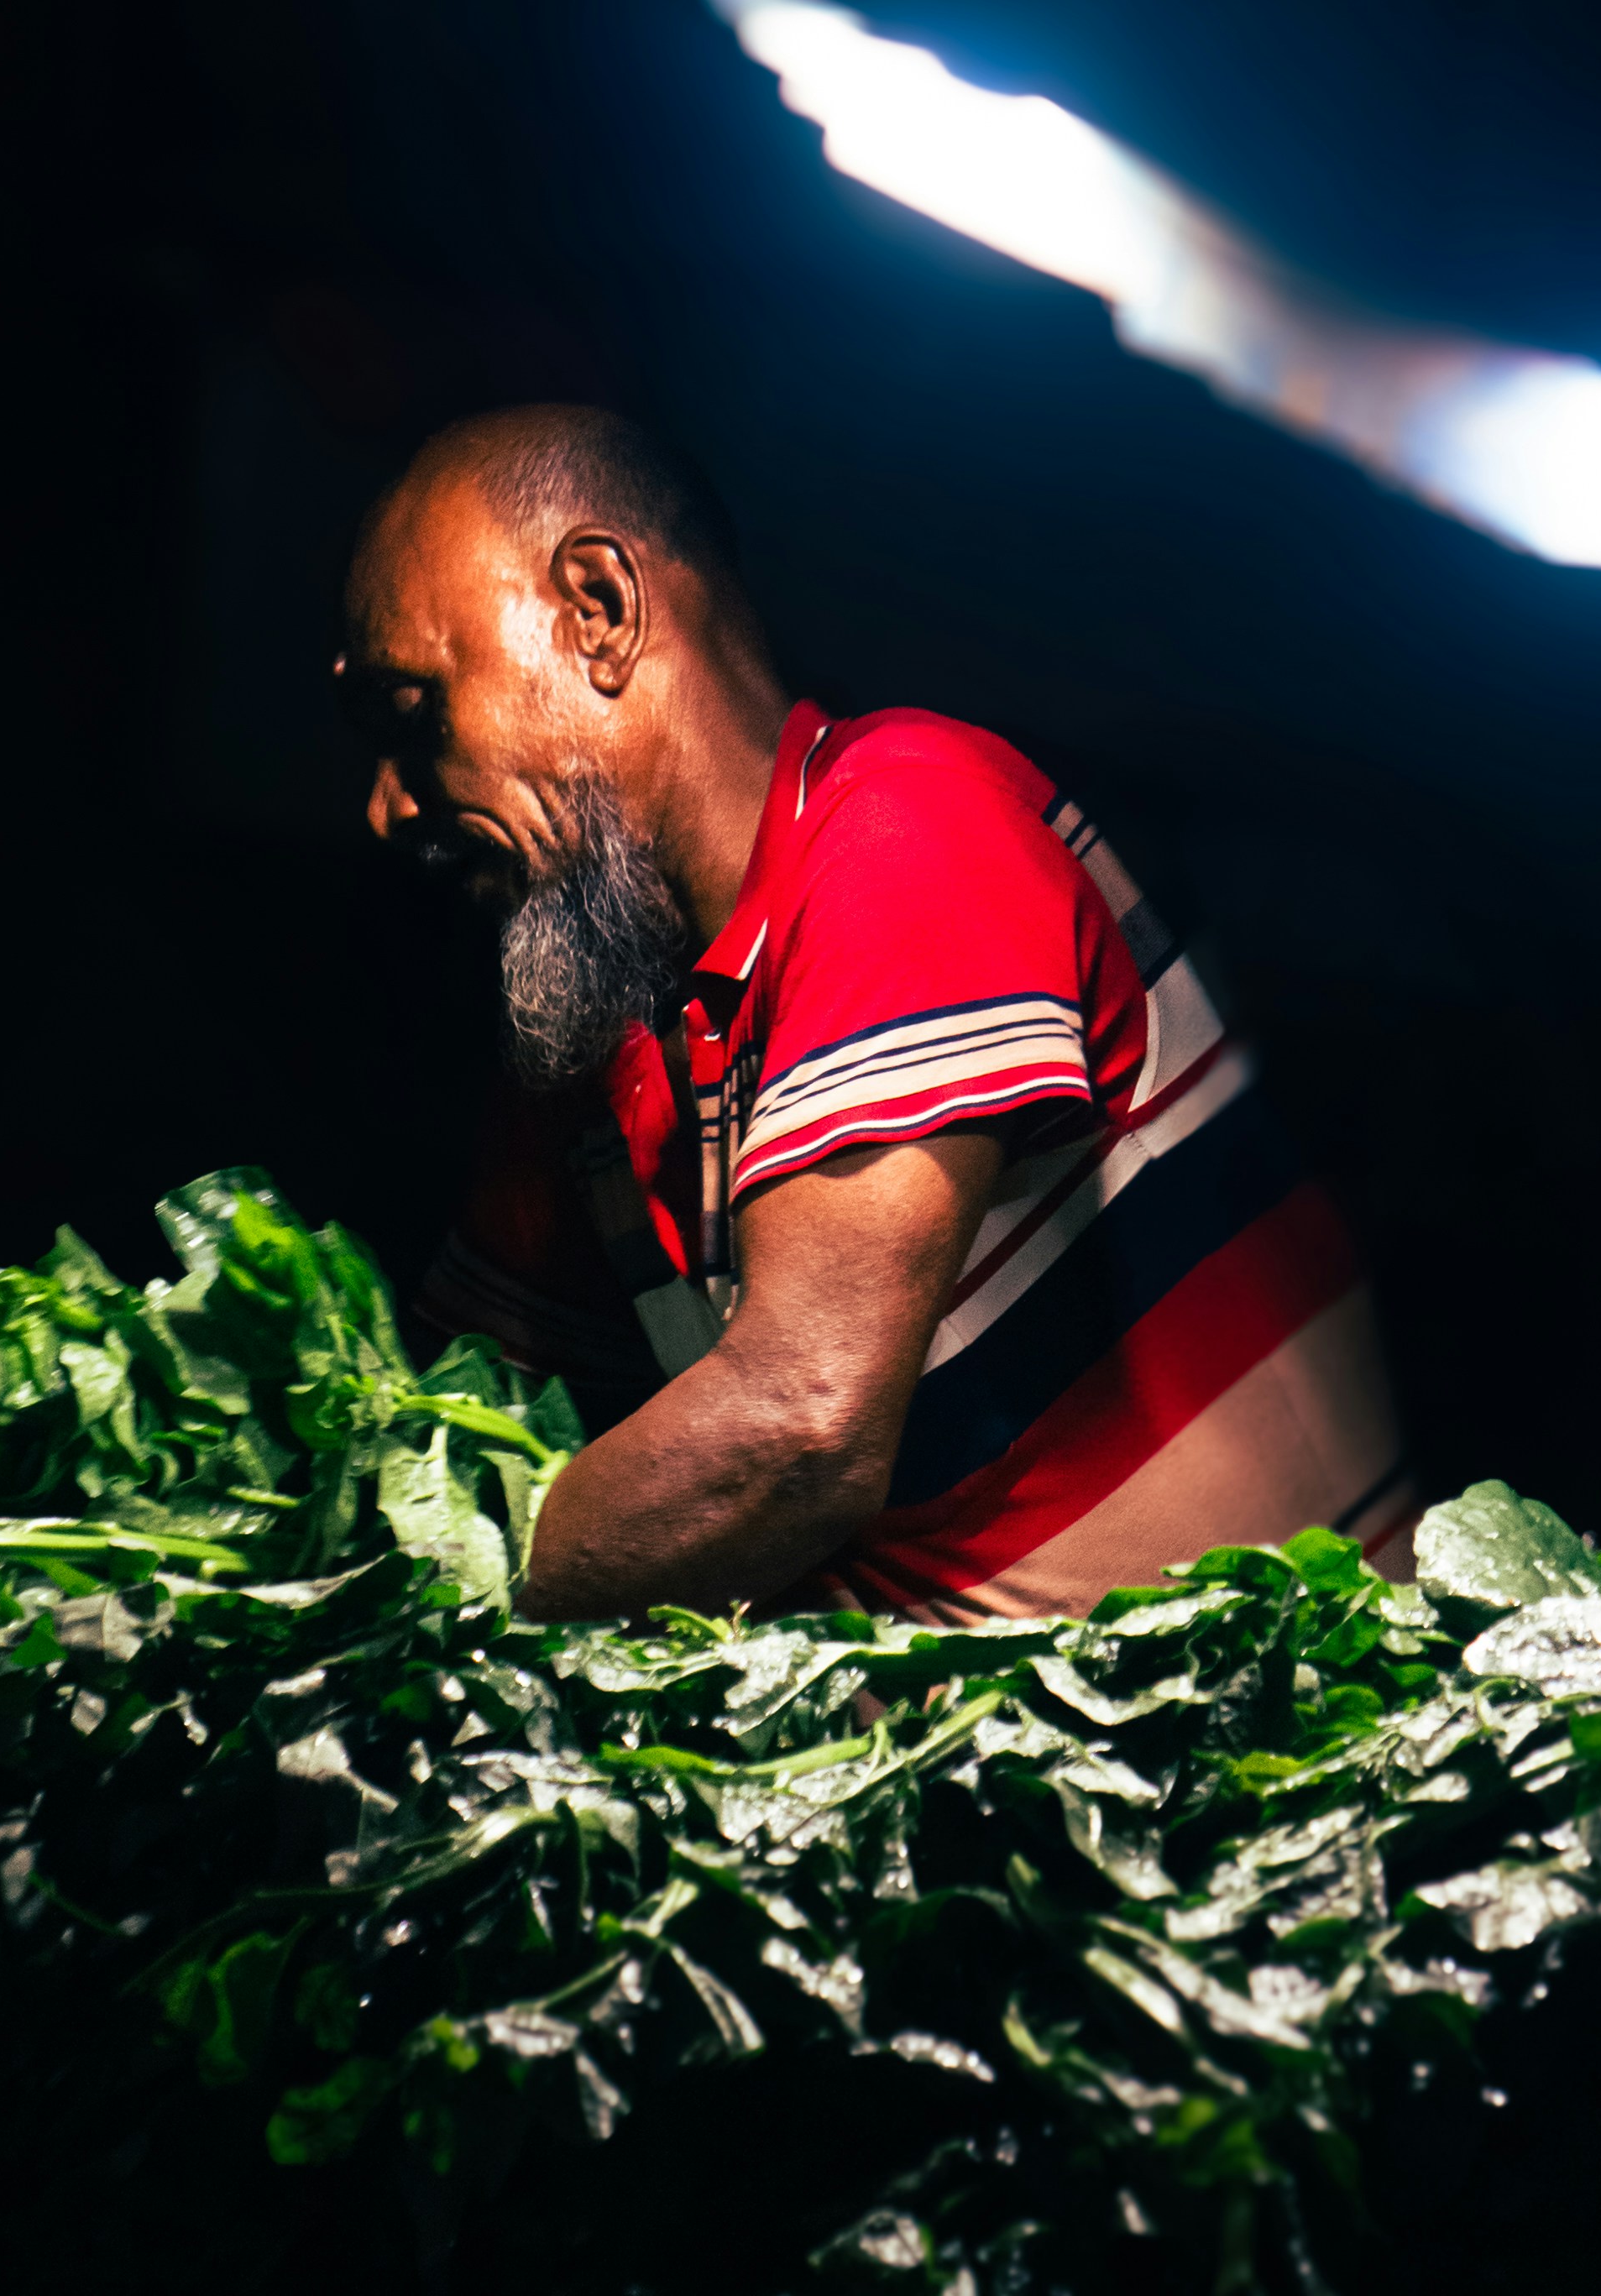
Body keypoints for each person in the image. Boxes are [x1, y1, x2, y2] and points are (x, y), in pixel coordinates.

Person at [337, 401, 1414, 1624]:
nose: (386, 809)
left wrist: (396, 1610)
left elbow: (796, 1431)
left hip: (1287, 1753)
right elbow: (481, 1417)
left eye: (414, 714)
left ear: (599, 610)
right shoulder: (601, 1020)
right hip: (1016, 1786)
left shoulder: (910, 827)